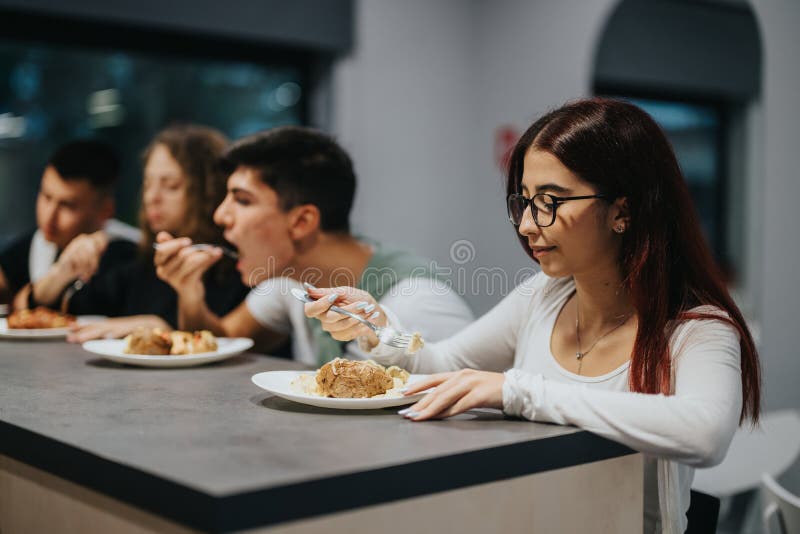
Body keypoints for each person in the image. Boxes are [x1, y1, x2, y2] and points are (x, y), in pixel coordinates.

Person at [303, 98, 761, 533]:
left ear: (622, 211)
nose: (526, 225)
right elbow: (438, 363)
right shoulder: (543, 296)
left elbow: (704, 434)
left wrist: (518, 391)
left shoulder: (697, 328)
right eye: (523, 201)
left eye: (551, 202)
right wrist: (380, 332)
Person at [153, 125, 473, 364]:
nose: (221, 215)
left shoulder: (418, 302)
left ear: (302, 222)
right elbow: (215, 347)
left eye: (242, 200)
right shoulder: (290, 284)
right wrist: (190, 294)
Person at [65, 125, 248, 342]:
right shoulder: (136, 259)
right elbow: (70, 311)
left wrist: (162, 328)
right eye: (148, 183)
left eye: (170, 186)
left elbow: (218, 343)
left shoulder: (240, 271)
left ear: (210, 191)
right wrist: (65, 268)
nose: (152, 197)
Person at [0, 140, 138, 310]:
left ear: (105, 210)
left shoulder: (129, 258)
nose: (49, 216)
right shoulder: (30, 247)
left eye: (68, 205)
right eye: (46, 196)